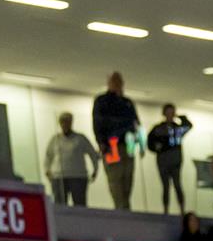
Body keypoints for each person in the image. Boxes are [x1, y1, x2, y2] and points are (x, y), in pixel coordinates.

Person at [93, 72, 141, 210]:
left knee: (128, 178)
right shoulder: (102, 101)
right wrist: (102, 142)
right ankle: (120, 208)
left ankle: (125, 207)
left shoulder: (127, 103)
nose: (117, 85)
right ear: (109, 83)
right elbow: (97, 123)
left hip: (128, 145)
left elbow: (135, 122)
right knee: (115, 179)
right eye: (114, 82)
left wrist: (137, 137)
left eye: (119, 82)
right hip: (111, 145)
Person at [44, 111, 100, 207]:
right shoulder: (55, 139)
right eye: (62, 121)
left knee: (80, 205)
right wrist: (47, 171)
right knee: (60, 206)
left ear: (71, 122)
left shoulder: (80, 138)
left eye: (67, 121)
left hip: (78, 176)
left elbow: (92, 154)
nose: (65, 124)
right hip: (59, 176)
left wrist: (95, 169)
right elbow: (48, 156)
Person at [148, 103, 193, 213]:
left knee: (177, 184)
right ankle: (166, 210)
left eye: (172, 112)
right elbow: (150, 143)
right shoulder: (158, 129)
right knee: (166, 186)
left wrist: (181, 117)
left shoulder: (177, 128)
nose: (170, 115)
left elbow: (189, 125)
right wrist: (157, 148)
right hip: (163, 161)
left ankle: (182, 210)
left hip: (175, 160)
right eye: (168, 112)